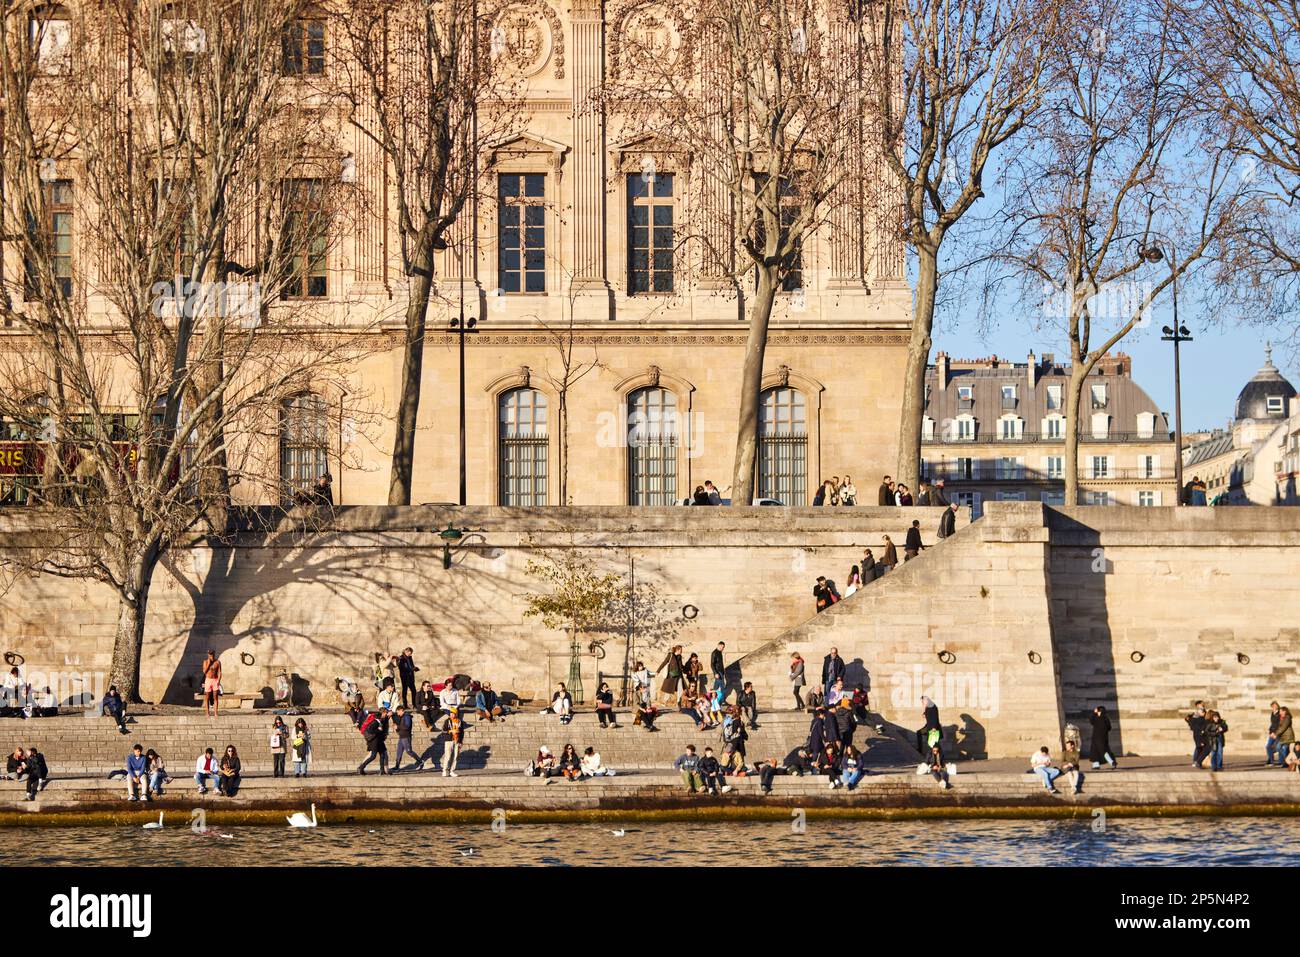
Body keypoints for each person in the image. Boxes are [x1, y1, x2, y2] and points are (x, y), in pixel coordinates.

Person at [358, 706, 390, 775]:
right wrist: (378, 730)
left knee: (383, 754)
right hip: (374, 740)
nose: (386, 714)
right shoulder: (376, 721)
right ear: (383, 713)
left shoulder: (382, 719)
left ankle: (382, 771)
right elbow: (370, 730)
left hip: (379, 739)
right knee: (373, 756)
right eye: (386, 713)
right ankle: (361, 767)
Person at [392, 705, 422, 771]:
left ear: (401, 710)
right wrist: (396, 728)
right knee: (399, 752)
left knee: (409, 751)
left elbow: (407, 727)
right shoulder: (402, 717)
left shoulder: (407, 717)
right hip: (401, 736)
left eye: (398, 712)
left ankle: (420, 762)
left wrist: (398, 727)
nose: (397, 713)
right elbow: (400, 727)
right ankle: (397, 766)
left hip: (406, 737)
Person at [1185, 703, 1209, 768]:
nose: (1204, 713)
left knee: (1200, 748)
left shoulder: (1202, 718)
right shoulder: (1196, 718)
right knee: (1199, 748)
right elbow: (1191, 723)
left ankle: (1198, 761)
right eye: (1202, 712)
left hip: (1200, 735)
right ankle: (1196, 761)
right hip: (1198, 735)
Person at [441, 711, 464, 777]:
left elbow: (462, 732)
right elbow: (443, 731)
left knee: (455, 756)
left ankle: (452, 771)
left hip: (457, 740)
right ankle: (445, 770)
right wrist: (451, 731)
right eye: (451, 713)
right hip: (449, 740)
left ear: (456, 714)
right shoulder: (447, 721)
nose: (452, 715)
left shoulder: (459, 721)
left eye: (453, 713)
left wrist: (461, 741)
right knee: (448, 756)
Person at [201, 650, 222, 718]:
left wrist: (218, 680)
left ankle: (216, 713)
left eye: (212, 654)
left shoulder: (217, 662)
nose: (211, 656)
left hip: (215, 680)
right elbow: (204, 672)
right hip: (208, 680)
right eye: (210, 654)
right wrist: (209, 664)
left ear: (214, 654)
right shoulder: (205, 662)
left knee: (215, 697)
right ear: (208, 655)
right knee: (207, 697)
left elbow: (219, 672)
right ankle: (207, 713)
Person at [1266, 701, 1284, 766]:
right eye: (1273, 706)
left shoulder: (1280, 713)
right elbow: (1272, 724)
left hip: (1277, 733)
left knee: (1279, 747)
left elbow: (1279, 724)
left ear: (1277, 706)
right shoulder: (1272, 713)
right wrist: (1270, 732)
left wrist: (1276, 733)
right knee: (1268, 746)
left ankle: (1281, 762)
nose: (1274, 707)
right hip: (1272, 733)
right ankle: (1271, 761)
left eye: (1275, 705)